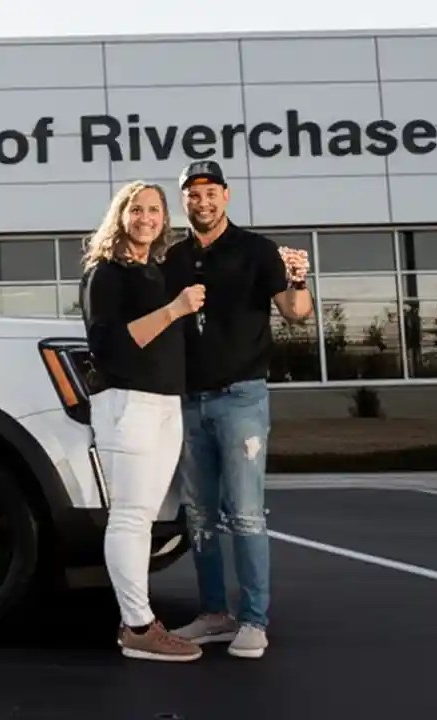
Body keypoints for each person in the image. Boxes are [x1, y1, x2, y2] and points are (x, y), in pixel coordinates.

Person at [162, 160, 313, 659]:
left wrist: (297, 281)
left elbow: (295, 315)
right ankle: (213, 616)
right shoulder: (173, 258)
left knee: (245, 514)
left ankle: (253, 620)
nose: (202, 202)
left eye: (210, 193)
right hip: (188, 401)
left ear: (226, 196)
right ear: (184, 200)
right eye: (192, 194)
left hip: (241, 397)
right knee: (200, 515)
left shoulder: (257, 250)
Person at [79, 180, 206, 662]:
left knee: (144, 517)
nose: (147, 218)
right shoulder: (105, 273)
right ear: (121, 215)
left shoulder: (155, 271)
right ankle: (137, 627)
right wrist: (175, 309)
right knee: (130, 517)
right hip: (127, 404)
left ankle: (137, 620)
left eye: (155, 210)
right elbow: (109, 345)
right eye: (137, 209)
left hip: (164, 404)